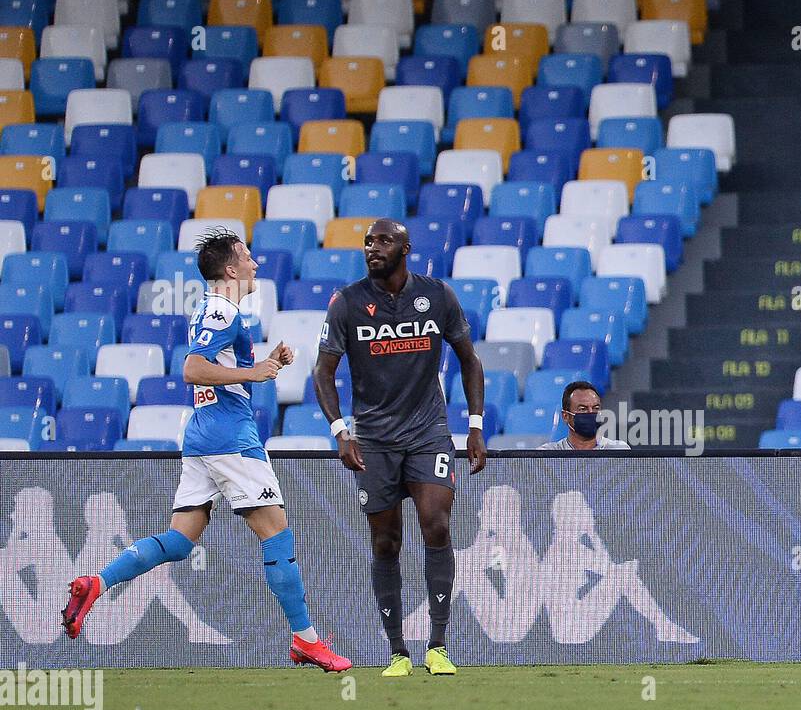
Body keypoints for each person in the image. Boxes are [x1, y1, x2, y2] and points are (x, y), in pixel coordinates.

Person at [60, 229, 351, 672]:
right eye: (248, 257)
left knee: (179, 542)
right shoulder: (222, 310)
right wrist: (254, 373)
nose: (255, 263)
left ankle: (97, 583)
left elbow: (217, 365)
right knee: (277, 535)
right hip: (230, 437)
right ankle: (305, 640)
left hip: (202, 434)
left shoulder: (212, 309)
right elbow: (193, 368)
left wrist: (264, 363)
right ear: (231, 269)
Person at [314, 218, 486, 678]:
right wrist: (340, 431)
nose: (373, 248)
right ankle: (397, 652)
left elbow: (470, 360)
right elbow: (322, 372)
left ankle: (438, 645)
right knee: (386, 541)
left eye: (384, 241)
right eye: (368, 242)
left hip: (429, 432)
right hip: (373, 439)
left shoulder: (438, 296)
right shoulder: (347, 302)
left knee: (437, 525)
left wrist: (475, 426)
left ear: (405, 249)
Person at [536, 381, 630, 450]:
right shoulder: (548, 455)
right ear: (565, 416)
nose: (591, 412)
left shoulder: (618, 451)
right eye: (583, 409)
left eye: (596, 408)